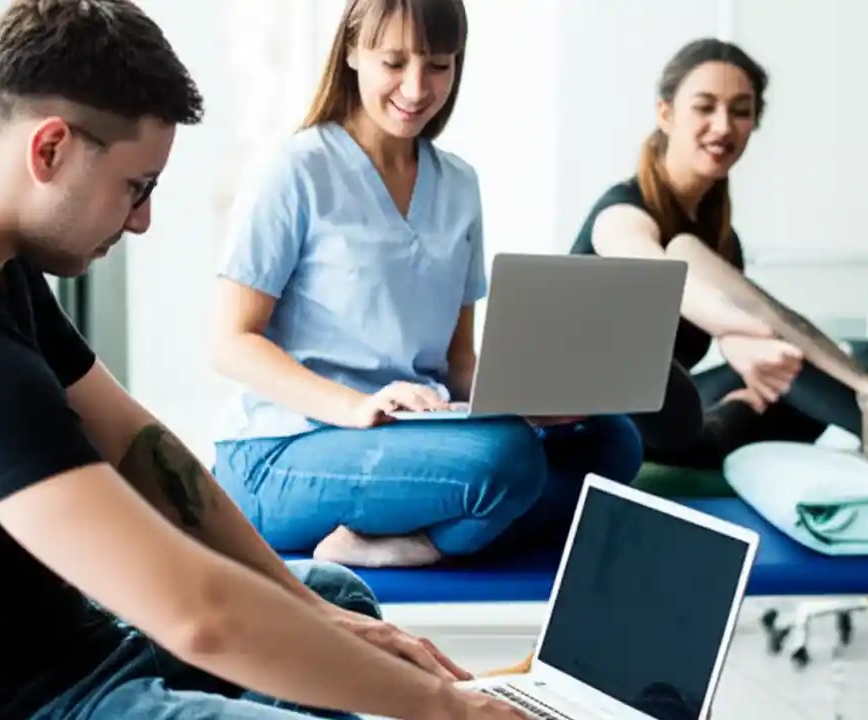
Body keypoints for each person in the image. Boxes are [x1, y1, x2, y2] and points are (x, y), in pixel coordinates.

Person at [0, 2, 527, 719]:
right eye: (136, 189)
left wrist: (310, 614)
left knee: (334, 597)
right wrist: (446, 711)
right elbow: (197, 617)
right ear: (49, 149)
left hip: (77, 644)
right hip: (21, 702)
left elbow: (136, 443)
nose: (142, 221)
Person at [210, 0, 643, 570]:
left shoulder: (459, 184)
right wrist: (358, 406)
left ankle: (421, 536)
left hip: (414, 434)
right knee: (507, 461)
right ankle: (439, 540)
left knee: (612, 443)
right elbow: (231, 343)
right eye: (394, 61)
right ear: (352, 53)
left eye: (438, 65)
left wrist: (524, 401)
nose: (416, 87)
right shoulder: (296, 170)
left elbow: (457, 362)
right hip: (284, 451)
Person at [571, 38, 868, 468]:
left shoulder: (723, 240)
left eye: (741, 110)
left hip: (672, 405)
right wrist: (737, 335)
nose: (724, 125)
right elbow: (663, 282)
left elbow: (777, 319)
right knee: (687, 255)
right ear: (666, 113)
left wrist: (865, 383)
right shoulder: (621, 214)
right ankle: (743, 416)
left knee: (792, 381)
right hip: (604, 420)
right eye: (705, 107)